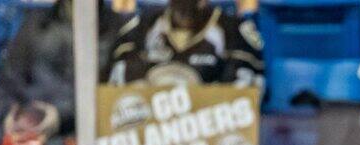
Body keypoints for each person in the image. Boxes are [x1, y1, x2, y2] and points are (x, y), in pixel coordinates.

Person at [0, 0, 121, 145]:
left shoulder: (116, 30)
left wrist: (57, 116)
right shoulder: (35, 24)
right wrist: (12, 114)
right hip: (26, 119)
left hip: (78, 127)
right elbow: (6, 83)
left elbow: (113, 94)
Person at [104, 0, 263, 87]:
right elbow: (116, 89)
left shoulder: (234, 30)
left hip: (208, 135)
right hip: (152, 134)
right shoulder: (141, 26)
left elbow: (246, 96)